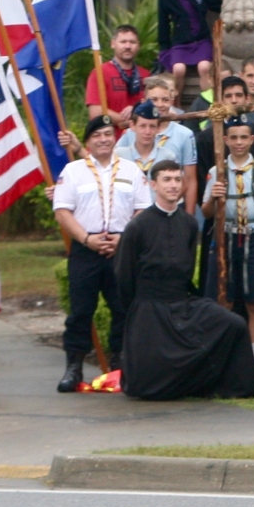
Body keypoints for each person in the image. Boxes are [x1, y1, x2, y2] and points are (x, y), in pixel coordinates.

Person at [116, 159, 254, 399]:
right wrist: (138, 312)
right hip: (149, 306)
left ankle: (230, 385)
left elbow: (188, 265)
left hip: (183, 301)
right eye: (167, 180)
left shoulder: (190, 223)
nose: (173, 185)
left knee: (233, 324)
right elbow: (123, 275)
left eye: (177, 179)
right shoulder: (137, 227)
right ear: (153, 184)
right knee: (149, 383)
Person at [51, 116, 154, 391]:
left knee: (123, 310)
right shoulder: (73, 171)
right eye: (97, 135)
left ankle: (120, 367)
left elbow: (143, 210)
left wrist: (123, 239)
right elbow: (62, 211)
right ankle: (73, 368)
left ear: (115, 137)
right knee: (81, 311)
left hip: (120, 249)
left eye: (108, 134)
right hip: (86, 249)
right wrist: (86, 239)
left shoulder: (131, 170)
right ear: (88, 141)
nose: (104, 139)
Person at [202, 116, 254, 367]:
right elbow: (205, 213)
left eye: (243, 137)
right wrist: (214, 198)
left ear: (252, 140)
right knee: (223, 299)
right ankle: (223, 357)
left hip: (253, 238)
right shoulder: (216, 171)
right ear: (225, 140)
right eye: (233, 137)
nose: (238, 143)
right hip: (225, 237)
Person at [154, 0, 219, 94]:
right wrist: (164, 49)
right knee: (178, 69)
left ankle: (207, 103)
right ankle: (176, 102)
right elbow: (164, 24)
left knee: (204, 68)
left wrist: (228, 9)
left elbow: (215, 3)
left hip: (202, 40)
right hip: (181, 42)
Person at [86, 25, 150, 129]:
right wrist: (133, 119)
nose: (128, 46)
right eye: (123, 42)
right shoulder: (99, 73)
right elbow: (96, 112)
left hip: (140, 141)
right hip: (110, 141)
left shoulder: (146, 75)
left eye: (132, 42)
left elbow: (155, 106)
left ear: (138, 45)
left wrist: (136, 109)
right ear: (113, 44)